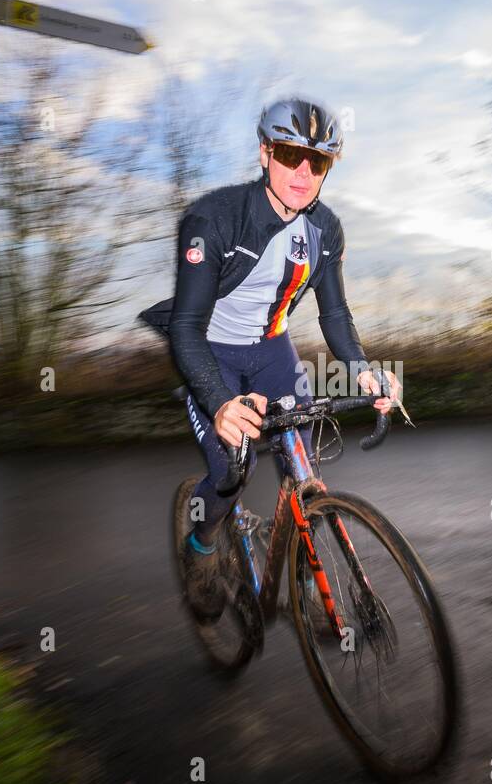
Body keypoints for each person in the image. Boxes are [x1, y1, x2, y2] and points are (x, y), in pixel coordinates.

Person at [139, 96, 401, 621]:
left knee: (303, 467)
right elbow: (187, 327)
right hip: (211, 351)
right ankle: (202, 547)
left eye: (318, 162)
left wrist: (364, 371)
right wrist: (218, 403)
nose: (303, 172)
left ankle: (305, 566)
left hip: (274, 350)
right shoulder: (213, 219)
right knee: (230, 471)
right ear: (264, 154)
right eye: (289, 154)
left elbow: (335, 316)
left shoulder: (325, 231)